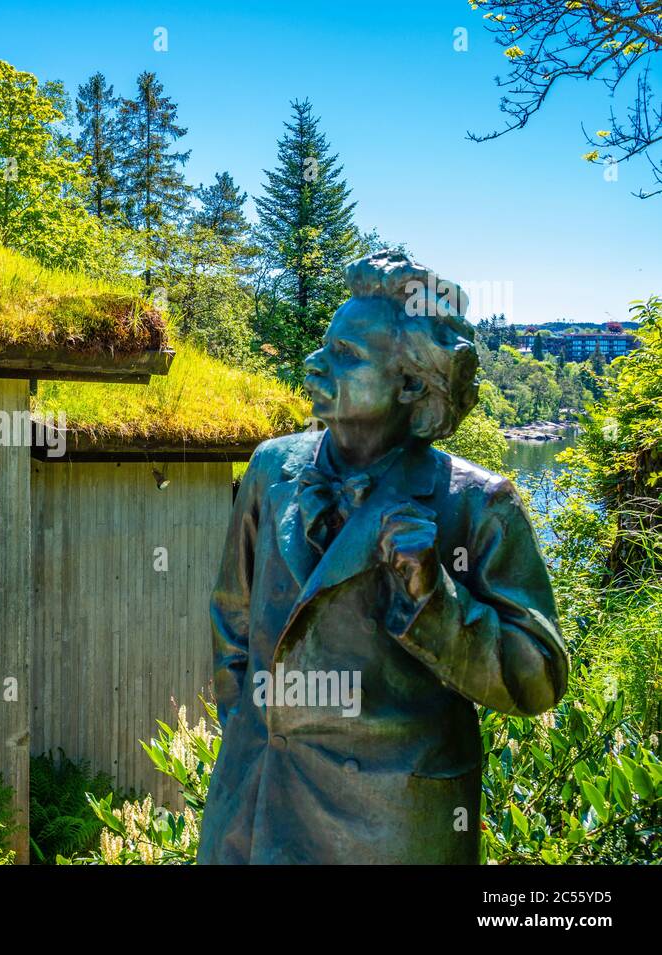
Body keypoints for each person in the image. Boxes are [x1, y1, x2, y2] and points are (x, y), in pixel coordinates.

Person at [197, 250, 568, 864]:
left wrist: (436, 601)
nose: (314, 364)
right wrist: (251, 726)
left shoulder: (475, 506)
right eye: (324, 345)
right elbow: (231, 618)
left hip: (388, 828)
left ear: (410, 384)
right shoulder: (271, 469)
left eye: (346, 355)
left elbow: (539, 678)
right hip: (254, 808)